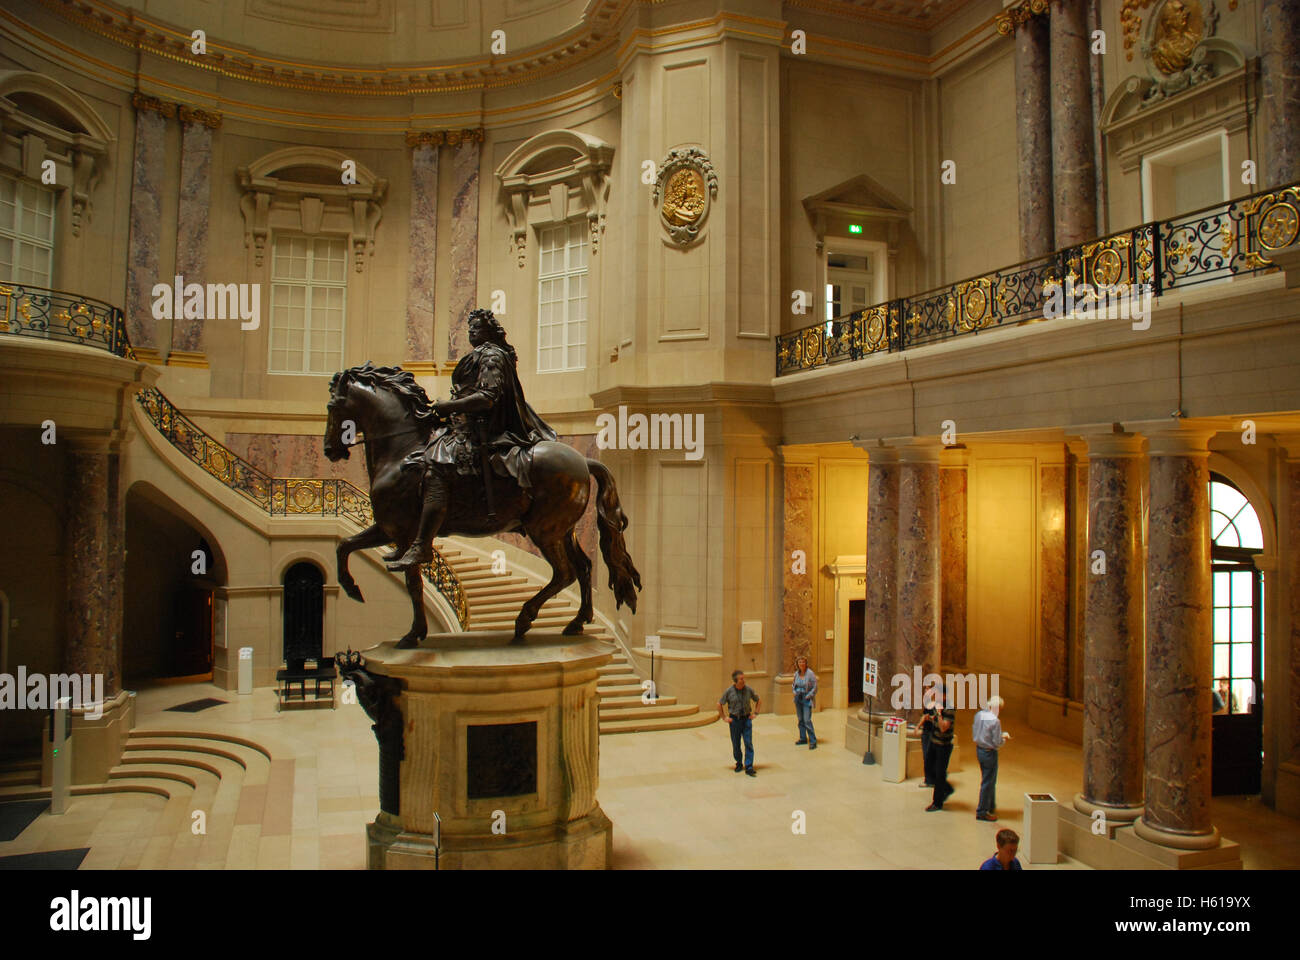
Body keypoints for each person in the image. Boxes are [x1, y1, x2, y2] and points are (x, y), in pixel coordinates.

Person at [387, 308, 556, 570]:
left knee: (436, 469)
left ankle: (422, 546)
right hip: (467, 425)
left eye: (476, 327)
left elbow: (488, 398)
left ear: (488, 331)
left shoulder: (491, 357)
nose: (471, 331)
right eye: (470, 328)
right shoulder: (481, 355)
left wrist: (449, 407)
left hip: (487, 431)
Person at [971, 695, 1010, 822]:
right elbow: (997, 741)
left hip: (979, 749)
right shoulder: (995, 721)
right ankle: (982, 811)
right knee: (988, 782)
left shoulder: (979, 715)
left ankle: (990, 806)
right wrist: (1004, 738)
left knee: (988, 779)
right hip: (989, 752)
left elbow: (976, 731)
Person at [718, 670, 761, 776]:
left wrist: (755, 713)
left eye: (743, 678)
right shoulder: (729, 691)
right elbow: (719, 704)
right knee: (736, 744)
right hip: (735, 721)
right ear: (736, 681)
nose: (744, 680)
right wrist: (724, 717)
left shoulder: (748, 690)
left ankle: (749, 766)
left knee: (748, 743)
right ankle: (739, 763)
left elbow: (758, 700)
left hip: (746, 719)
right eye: (741, 678)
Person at [923, 685, 956, 812]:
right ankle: (947, 788)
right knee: (929, 768)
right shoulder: (937, 704)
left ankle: (937, 802)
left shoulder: (949, 708)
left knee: (939, 774)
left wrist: (939, 714)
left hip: (943, 745)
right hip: (933, 741)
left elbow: (943, 728)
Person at [791, 655, 818, 749]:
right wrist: (794, 692)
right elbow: (793, 685)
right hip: (798, 698)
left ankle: (813, 740)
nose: (801, 664)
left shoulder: (810, 674)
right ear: (797, 664)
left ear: (806, 663)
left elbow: (815, 687)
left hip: (806, 698)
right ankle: (803, 738)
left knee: (807, 720)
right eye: (799, 662)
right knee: (800, 719)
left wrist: (809, 695)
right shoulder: (796, 674)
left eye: (803, 662)